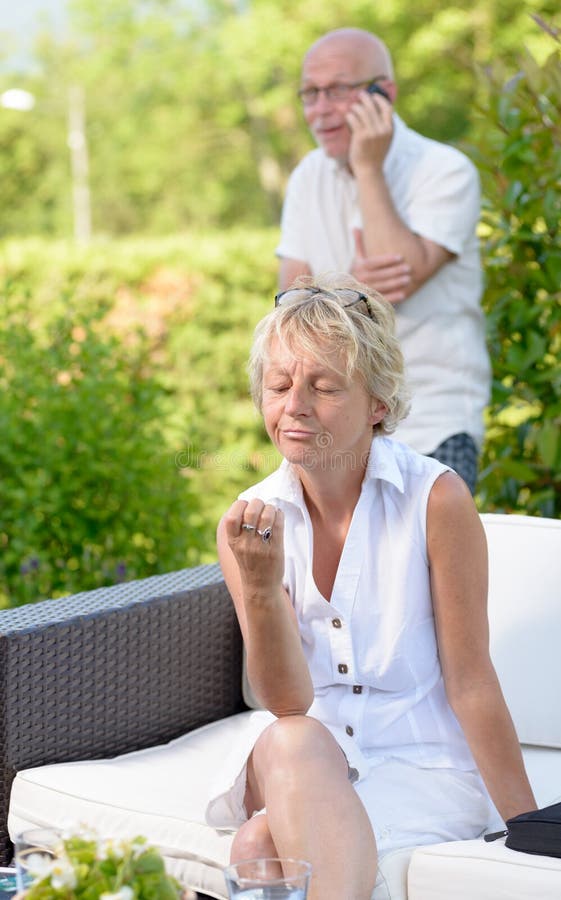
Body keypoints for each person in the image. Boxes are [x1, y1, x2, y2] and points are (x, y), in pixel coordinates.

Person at [205, 274, 535, 900]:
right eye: (278, 385)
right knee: (294, 738)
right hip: (301, 756)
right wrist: (258, 583)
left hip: (421, 764)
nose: (294, 406)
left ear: (378, 404)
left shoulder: (435, 500)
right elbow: (288, 702)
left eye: (323, 386)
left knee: (255, 847)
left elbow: (469, 681)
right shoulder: (248, 519)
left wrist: (530, 832)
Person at [276, 27, 491, 494]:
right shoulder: (307, 177)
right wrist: (354, 286)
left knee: (430, 565)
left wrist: (368, 167)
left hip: (433, 418)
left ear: (383, 94)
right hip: (337, 423)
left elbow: (397, 277)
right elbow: (289, 303)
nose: (319, 109)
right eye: (310, 93)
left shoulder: (445, 170)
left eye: (336, 90)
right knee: (338, 566)